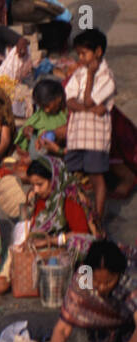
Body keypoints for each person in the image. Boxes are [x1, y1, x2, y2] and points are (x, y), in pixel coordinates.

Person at [0, 157, 97, 293]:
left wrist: (49, 241)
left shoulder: (71, 198)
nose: (35, 190)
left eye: (40, 184)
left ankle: (83, 283)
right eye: (33, 185)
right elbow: (34, 226)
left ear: (54, 179)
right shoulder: (41, 199)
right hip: (49, 248)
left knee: (80, 244)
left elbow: (83, 235)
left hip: (72, 250)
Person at [64, 29, 115, 225]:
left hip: (96, 137)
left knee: (96, 177)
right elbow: (70, 101)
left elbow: (85, 101)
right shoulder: (78, 73)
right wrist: (90, 109)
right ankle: (75, 213)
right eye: (79, 53)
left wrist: (92, 75)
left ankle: (98, 219)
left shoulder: (106, 78)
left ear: (98, 52)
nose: (80, 57)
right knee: (71, 174)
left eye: (84, 53)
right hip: (77, 135)